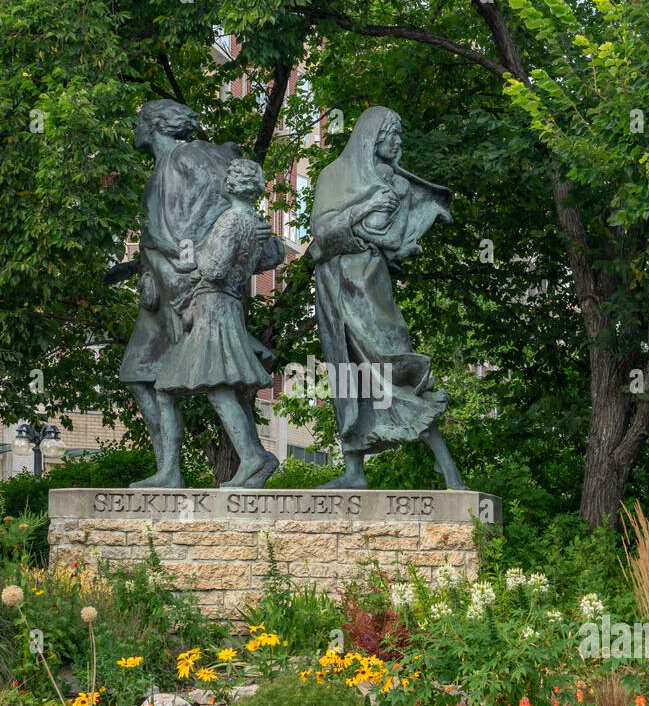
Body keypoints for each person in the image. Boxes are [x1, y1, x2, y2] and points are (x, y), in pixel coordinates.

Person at [306, 106, 465, 490]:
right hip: (335, 286)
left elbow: (389, 241)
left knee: (390, 367)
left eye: (400, 136)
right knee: (347, 375)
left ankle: (448, 469)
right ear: (371, 138)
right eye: (391, 135)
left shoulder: (396, 183)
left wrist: (401, 246)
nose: (398, 144)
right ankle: (354, 471)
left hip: (371, 287)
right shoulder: (334, 176)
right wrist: (366, 208)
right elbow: (321, 237)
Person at [118, 100, 239, 488]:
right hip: (157, 287)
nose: (136, 128)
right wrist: (142, 265)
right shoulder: (158, 171)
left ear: (156, 125)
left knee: (199, 378)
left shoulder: (189, 155)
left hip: (184, 284)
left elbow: (218, 204)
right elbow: (157, 229)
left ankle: (177, 469)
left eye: (140, 121)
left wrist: (188, 261)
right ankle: (167, 467)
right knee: (140, 374)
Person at [155, 158, 280, 487]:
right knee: (199, 389)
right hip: (224, 307)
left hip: (213, 307)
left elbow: (213, 269)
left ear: (231, 185)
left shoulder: (230, 220)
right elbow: (272, 257)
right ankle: (249, 458)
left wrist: (197, 253)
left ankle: (252, 457)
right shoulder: (253, 221)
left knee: (210, 388)